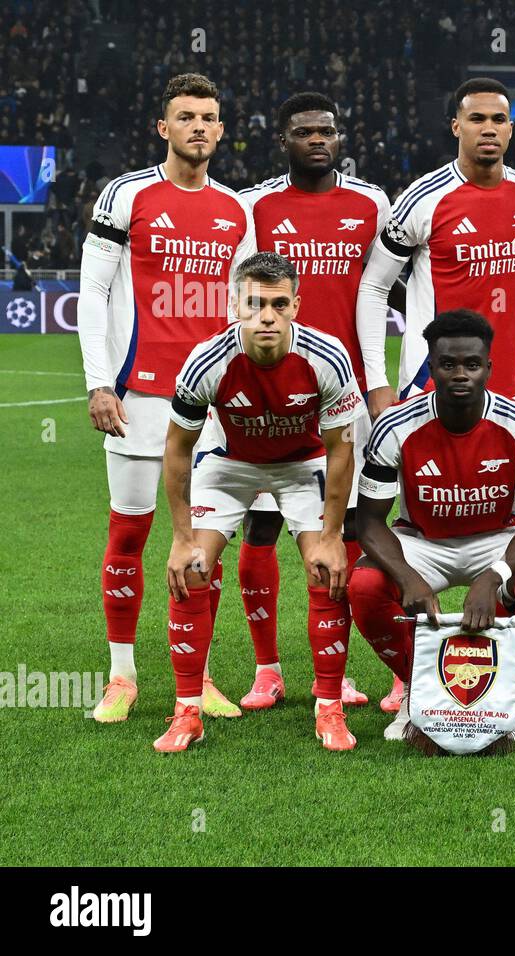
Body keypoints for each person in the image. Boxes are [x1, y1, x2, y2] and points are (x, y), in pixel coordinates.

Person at [354, 76, 515, 711]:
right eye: (477, 119)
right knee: (417, 520)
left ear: (511, 130)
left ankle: (506, 669)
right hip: (425, 387)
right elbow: (370, 288)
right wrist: (382, 384)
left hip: (505, 386)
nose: (489, 129)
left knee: (502, 520)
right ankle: (409, 671)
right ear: (456, 127)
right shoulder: (425, 199)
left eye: (500, 119)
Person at [78, 73, 255, 725]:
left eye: (210, 117)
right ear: (165, 128)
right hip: (137, 398)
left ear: (222, 129)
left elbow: (246, 310)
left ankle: (199, 673)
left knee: (202, 545)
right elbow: (92, 293)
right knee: (129, 533)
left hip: (210, 407)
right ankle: (121, 676)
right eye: (186, 117)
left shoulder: (237, 212)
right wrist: (100, 381)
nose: (199, 127)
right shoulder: (127, 195)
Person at [154, 252, 363, 752]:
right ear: (234, 304)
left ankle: (329, 707)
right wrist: (182, 539)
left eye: (277, 304)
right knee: (193, 571)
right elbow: (177, 450)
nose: (265, 316)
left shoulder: (328, 355)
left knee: (326, 570)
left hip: (301, 464)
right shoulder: (207, 360)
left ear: (295, 305)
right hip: (229, 465)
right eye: (253, 304)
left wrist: (332, 536)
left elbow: (340, 450)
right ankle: (188, 712)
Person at [234, 90, 393, 712]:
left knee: (342, 533)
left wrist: (380, 379)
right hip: (272, 397)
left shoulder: (372, 204)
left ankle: (340, 672)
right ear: (284, 140)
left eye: (328, 130)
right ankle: (267, 669)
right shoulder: (257, 206)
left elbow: (387, 287)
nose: (318, 139)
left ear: (341, 136)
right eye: (305, 132)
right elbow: (238, 300)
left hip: (343, 396)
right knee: (263, 527)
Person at [348, 310, 515, 744]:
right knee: (366, 586)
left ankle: (511, 690)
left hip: (498, 539)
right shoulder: (394, 426)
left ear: (489, 367)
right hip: (421, 541)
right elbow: (367, 523)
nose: (460, 374)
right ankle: (416, 688)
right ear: (431, 368)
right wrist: (408, 577)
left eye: (471, 364)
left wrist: (494, 576)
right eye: (448, 365)